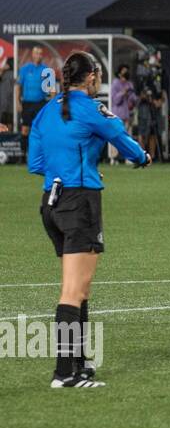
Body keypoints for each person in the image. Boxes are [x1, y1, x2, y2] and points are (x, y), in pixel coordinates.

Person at [28, 50, 151, 388]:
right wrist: (142, 157)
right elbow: (120, 136)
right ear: (92, 77)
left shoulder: (45, 112)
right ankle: (64, 373)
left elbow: (35, 161)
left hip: (50, 204)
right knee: (73, 290)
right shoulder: (90, 108)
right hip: (80, 202)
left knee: (79, 289)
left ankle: (80, 365)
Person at [18, 46, 58, 153]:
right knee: (25, 129)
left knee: (41, 130)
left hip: (40, 103)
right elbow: (18, 86)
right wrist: (17, 102)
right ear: (32, 54)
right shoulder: (25, 69)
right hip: (27, 103)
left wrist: (53, 103)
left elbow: (52, 88)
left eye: (40, 54)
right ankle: (22, 156)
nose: (38, 56)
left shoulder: (46, 70)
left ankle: (40, 154)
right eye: (36, 53)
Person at [108, 65, 138, 165]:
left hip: (127, 115)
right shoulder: (115, 83)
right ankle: (113, 157)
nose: (126, 73)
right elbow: (115, 100)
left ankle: (128, 158)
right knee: (115, 136)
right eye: (124, 71)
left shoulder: (129, 84)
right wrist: (123, 93)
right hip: (117, 115)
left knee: (128, 138)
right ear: (120, 72)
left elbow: (134, 99)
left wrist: (131, 96)